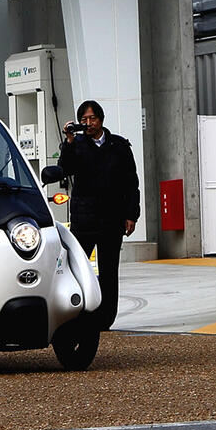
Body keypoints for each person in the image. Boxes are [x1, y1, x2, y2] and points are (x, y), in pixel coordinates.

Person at [58, 100, 140, 331]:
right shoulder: (77, 144)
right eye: (83, 120)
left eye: (92, 119)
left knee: (109, 271)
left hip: (112, 219)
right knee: (76, 267)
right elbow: (65, 169)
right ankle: (78, 315)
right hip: (84, 219)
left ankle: (105, 320)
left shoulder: (119, 146)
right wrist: (70, 141)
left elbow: (131, 183)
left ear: (101, 119)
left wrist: (131, 214)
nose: (88, 123)